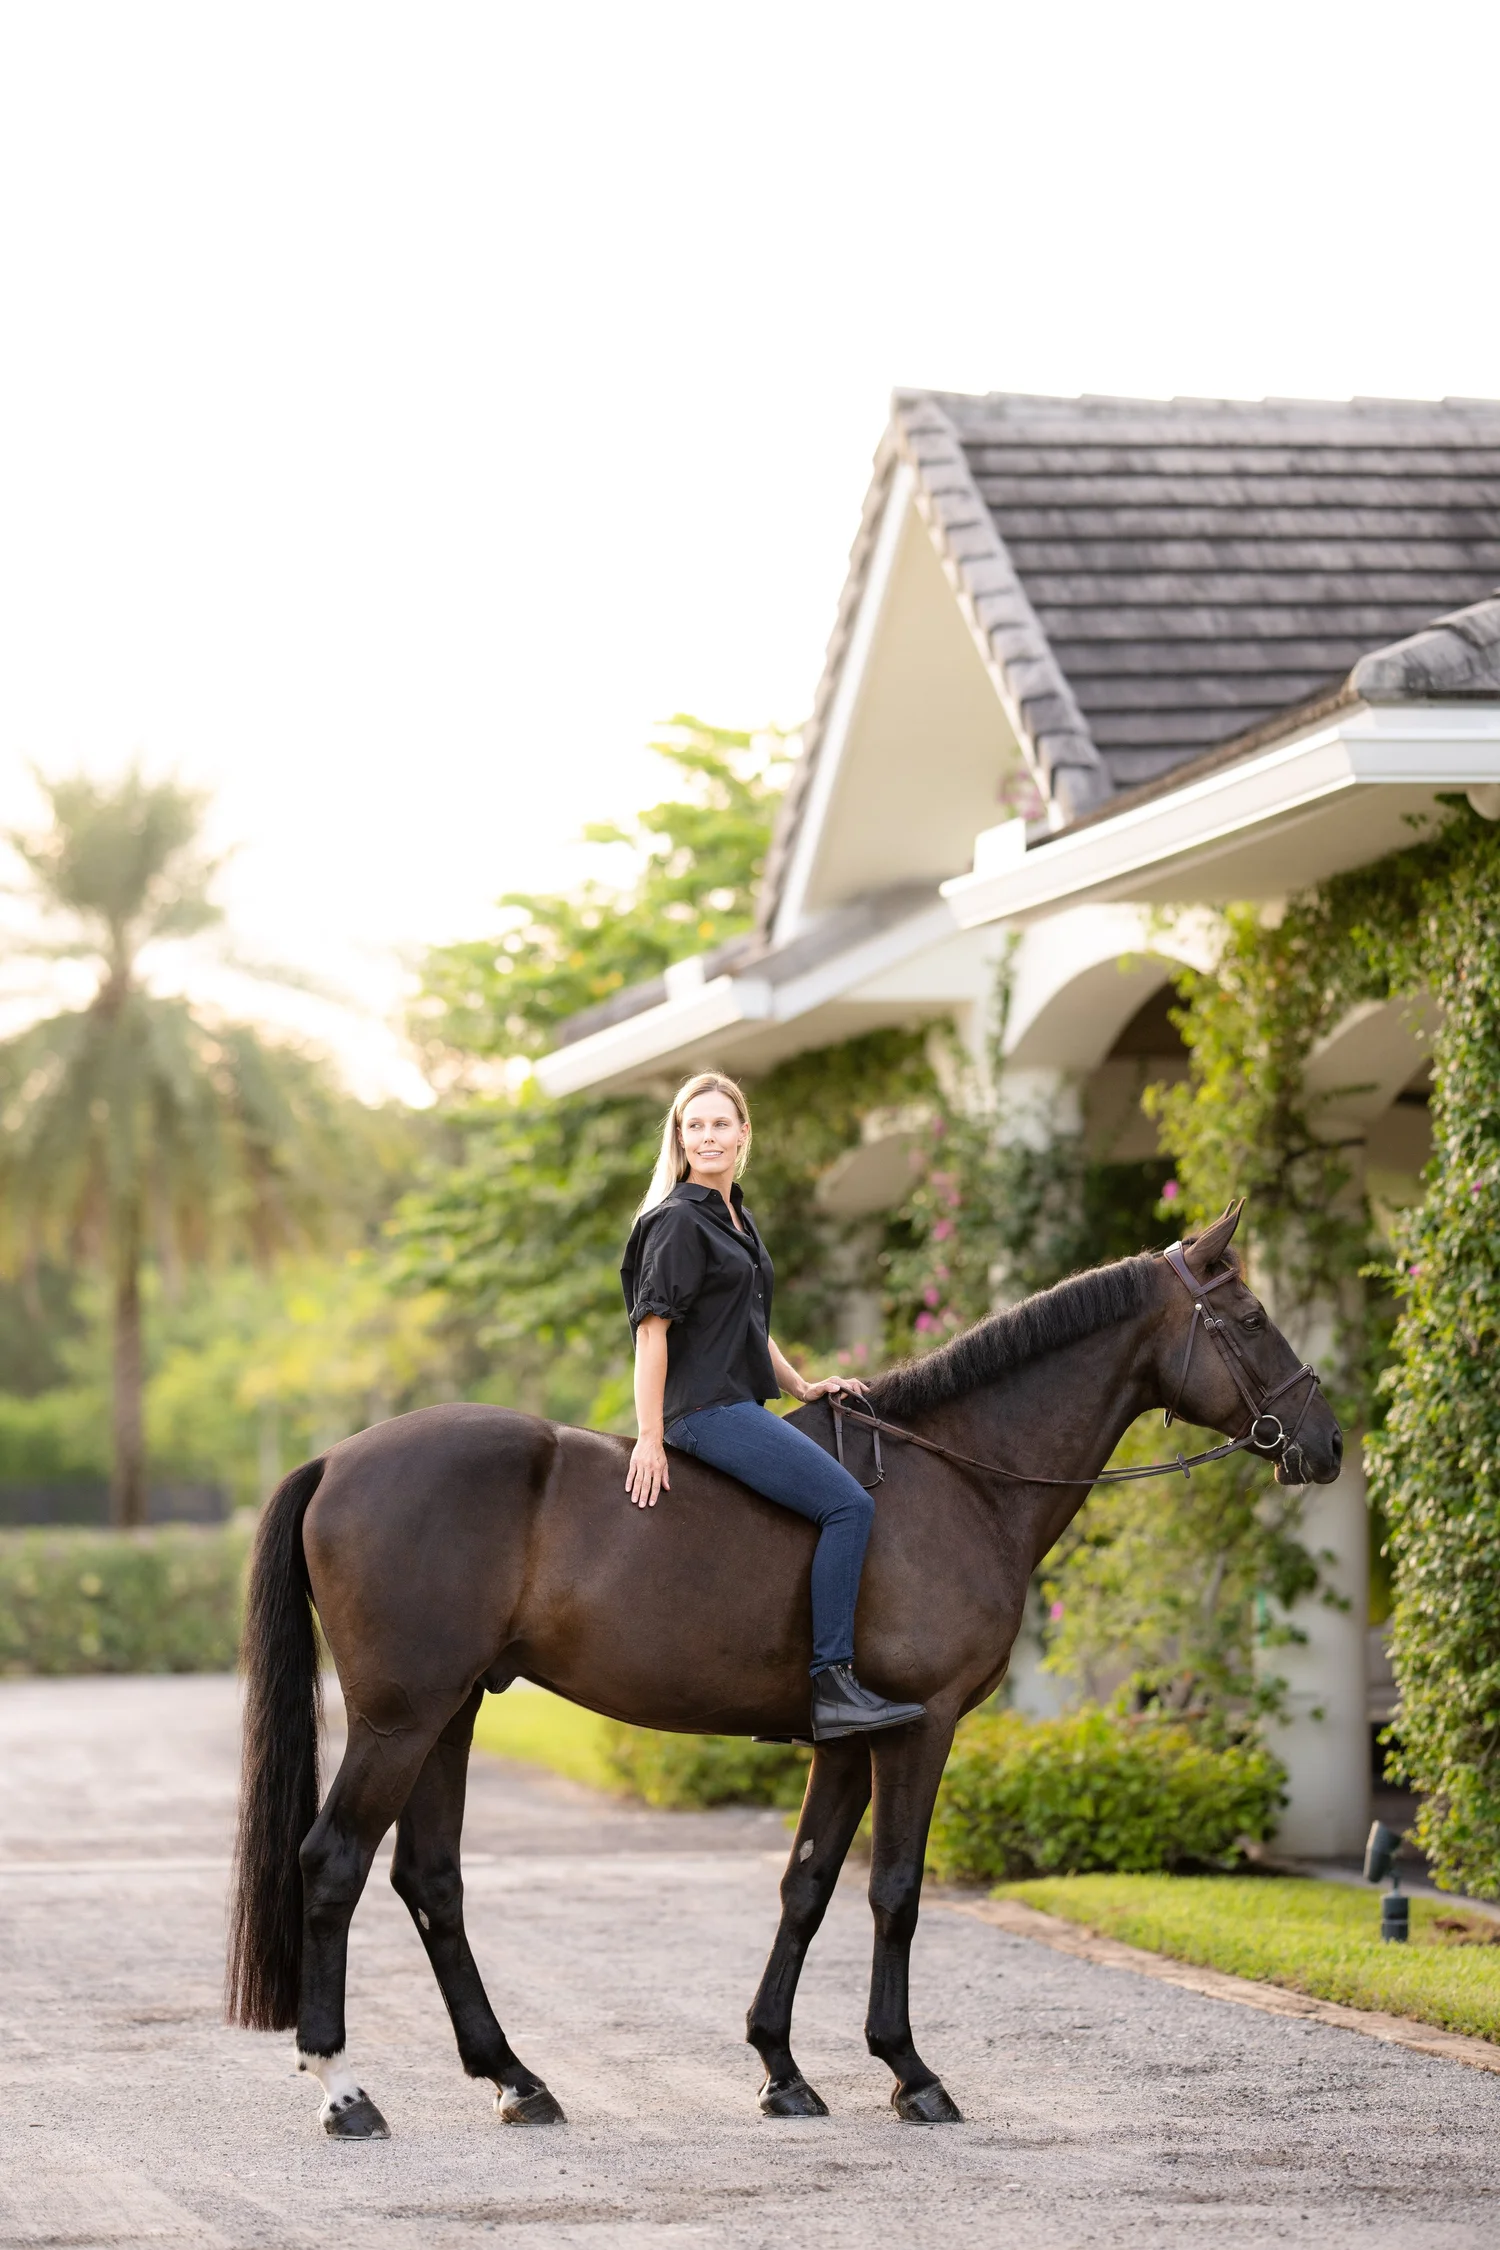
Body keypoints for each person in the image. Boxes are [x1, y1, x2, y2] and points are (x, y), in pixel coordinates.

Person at [619, 1069, 925, 1743]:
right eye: (694, 1125)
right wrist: (650, 1435)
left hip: (739, 1402)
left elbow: (749, 1326)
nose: (708, 1136)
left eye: (719, 1124)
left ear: (743, 1133)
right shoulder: (676, 1221)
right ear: (680, 1137)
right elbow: (652, 1333)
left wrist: (803, 1388)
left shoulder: (735, 1216)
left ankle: (780, 1686)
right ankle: (832, 1684)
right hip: (704, 1412)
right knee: (849, 1507)